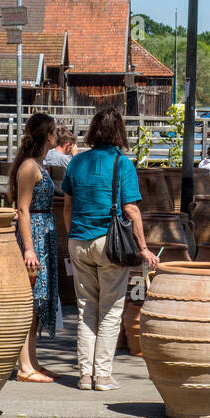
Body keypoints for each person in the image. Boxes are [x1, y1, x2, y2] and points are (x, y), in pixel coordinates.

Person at [62, 107, 158, 390]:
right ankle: (102, 375)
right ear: (119, 132)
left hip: (78, 241)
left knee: (85, 309)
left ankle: (84, 375)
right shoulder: (122, 163)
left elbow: (67, 206)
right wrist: (143, 248)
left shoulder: (76, 162)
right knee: (111, 310)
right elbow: (131, 209)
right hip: (109, 244)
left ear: (93, 130)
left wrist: (74, 235)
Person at [11, 113, 61, 383]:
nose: (59, 133)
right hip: (35, 235)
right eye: (55, 130)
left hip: (44, 232)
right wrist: (29, 248)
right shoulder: (29, 167)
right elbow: (23, 208)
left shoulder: (39, 164)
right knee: (29, 301)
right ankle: (23, 366)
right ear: (47, 135)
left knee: (38, 302)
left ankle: (33, 361)